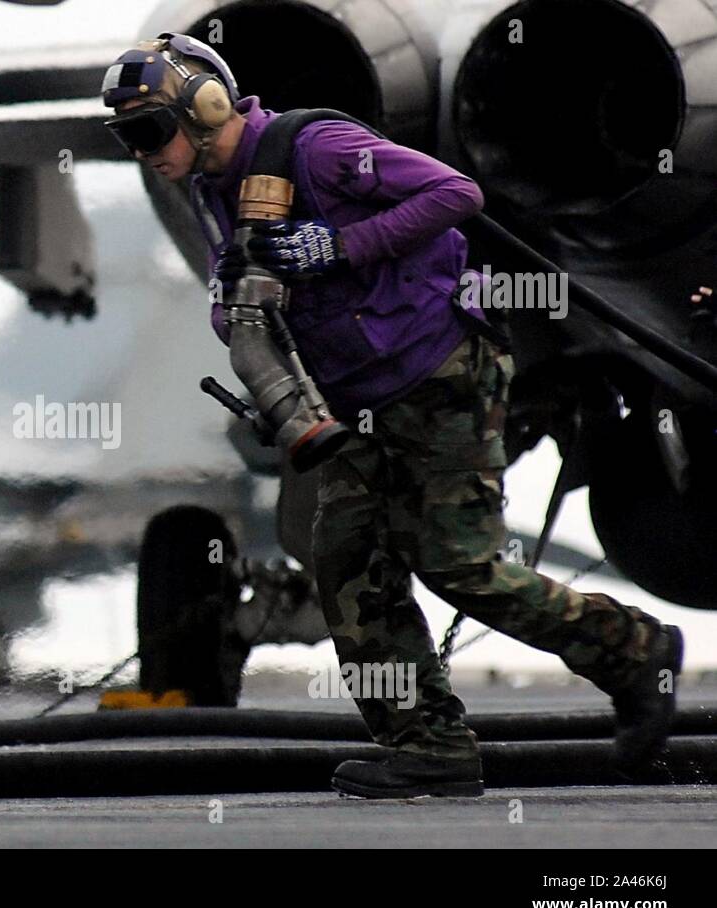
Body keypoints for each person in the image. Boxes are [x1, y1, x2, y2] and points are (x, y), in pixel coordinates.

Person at [100, 33, 684, 798]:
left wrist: (338, 246)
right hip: (356, 401)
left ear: (204, 107)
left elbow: (454, 196)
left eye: (149, 131)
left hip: (439, 372)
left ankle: (633, 651)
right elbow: (238, 287)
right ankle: (430, 745)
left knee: (459, 563)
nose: (144, 153)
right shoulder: (214, 186)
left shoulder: (318, 148)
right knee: (346, 566)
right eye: (127, 139)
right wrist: (238, 305)